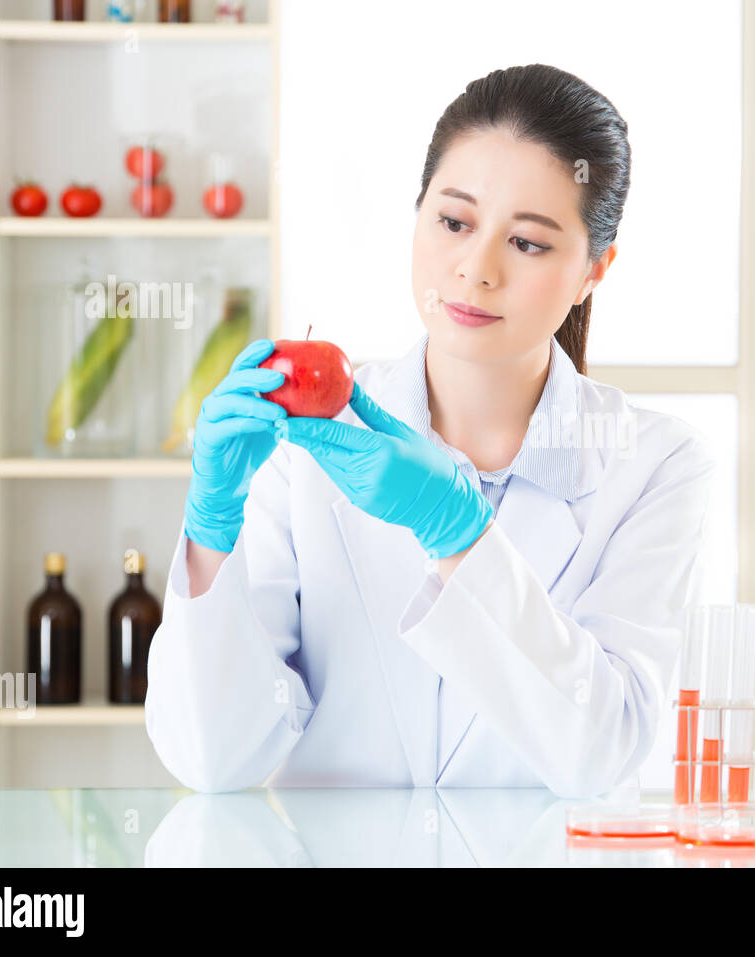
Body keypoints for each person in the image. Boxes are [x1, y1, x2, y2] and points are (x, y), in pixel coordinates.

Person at [145, 64, 716, 797]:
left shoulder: (657, 464)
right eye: (454, 222)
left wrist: (459, 536)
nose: (475, 270)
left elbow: (601, 751)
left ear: (594, 270)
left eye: (530, 243)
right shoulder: (305, 443)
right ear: (417, 216)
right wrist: (211, 532)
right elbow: (214, 761)